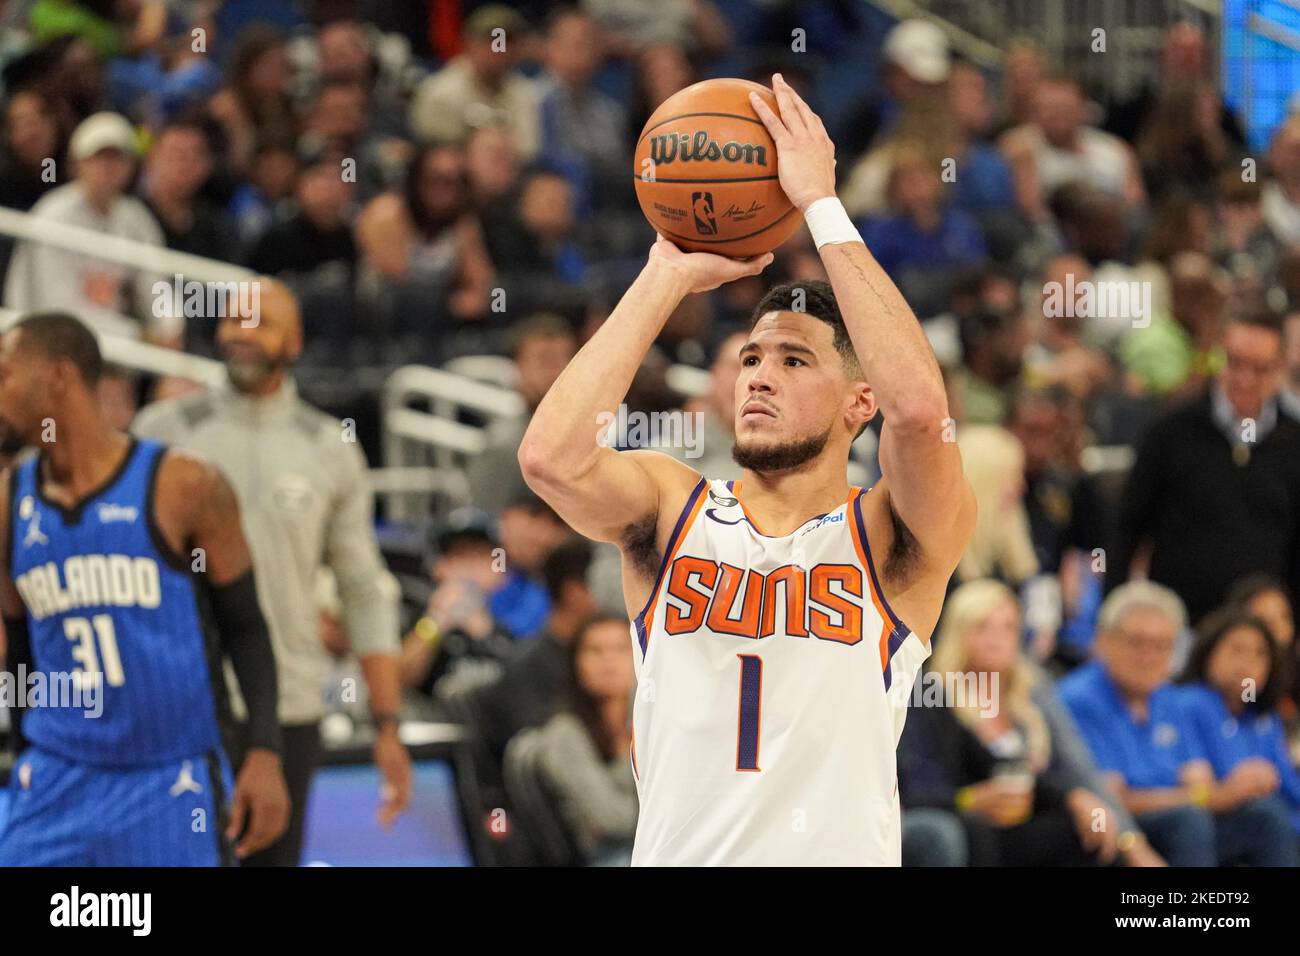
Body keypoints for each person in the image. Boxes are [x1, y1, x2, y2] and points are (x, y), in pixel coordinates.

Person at [518, 74, 976, 865]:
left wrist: (820, 206)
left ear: (856, 402)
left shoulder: (890, 535)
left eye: (795, 360)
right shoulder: (672, 504)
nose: (758, 376)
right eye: (752, 357)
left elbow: (919, 412)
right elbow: (550, 459)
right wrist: (664, 272)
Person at [131, 279, 411, 866]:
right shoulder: (163, 432)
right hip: (175, 705)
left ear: (296, 339)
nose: (240, 334)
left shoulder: (330, 446)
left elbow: (364, 589)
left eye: (260, 323)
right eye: (233, 320)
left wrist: (387, 725)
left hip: (287, 710)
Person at [0, 310, 289, 865]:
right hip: (59, 776)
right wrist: (24, 755)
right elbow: (18, 653)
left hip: (168, 780)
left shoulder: (184, 485)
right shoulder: (8, 503)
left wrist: (264, 752)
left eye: (5, 375)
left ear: (59, 376)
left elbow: (247, 629)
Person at [897, 580, 1159, 866]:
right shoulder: (930, 695)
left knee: (1090, 834)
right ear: (959, 633)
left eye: (1008, 627)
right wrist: (969, 800)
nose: (996, 638)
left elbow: (1072, 765)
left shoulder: (1031, 696)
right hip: (968, 825)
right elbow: (916, 788)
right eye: (983, 626)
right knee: (973, 831)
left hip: (1024, 822)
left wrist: (1075, 797)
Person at [1059, 582, 1293, 866]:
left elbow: (1201, 783)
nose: (1148, 657)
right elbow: (1110, 796)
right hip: (1113, 830)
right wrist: (1201, 796)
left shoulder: (1167, 697)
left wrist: (1205, 795)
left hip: (1183, 824)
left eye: (1161, 645)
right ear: (1104, 641)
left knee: (1265, 816)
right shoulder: (1079, 698)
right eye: (1136, 642)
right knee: (1189, 820)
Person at [1110, 308, 1300, 623]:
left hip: (1260, 635)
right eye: (1234, 362)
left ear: (1281, 368)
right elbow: (1128, 530)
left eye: (1260, 368)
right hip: (1176, 627)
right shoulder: (1170, 432)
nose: (1244, 379)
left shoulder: (1294, 444)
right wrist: (1113, 613)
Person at [3, 111, 173, 342]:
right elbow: (57, 307)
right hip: (46, 338)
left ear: (131, 166)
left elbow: (156, 287)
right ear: (77, 163)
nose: (108, 168)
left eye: (117, 158)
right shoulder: (53, 214)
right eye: (99, 158)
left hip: (117, 344)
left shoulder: (136, 218)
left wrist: (169, 330)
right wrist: (137, 335)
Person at [1177, 609, 1300, 850]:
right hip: (1210, 823)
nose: (1247, 663)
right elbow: (1211, 783)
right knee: (1269, 816)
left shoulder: (1263, 715)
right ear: (1209, 652)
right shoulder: (1191, 702)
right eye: (1236, 650)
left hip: (1269, 824)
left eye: (1259, 654)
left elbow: (1288, 785)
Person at [534, 612, 639, 866]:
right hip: (609, 856)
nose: (609, 661)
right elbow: (610, 819)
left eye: (620, 649)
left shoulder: (649, 720)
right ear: (575, 663)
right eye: (595, 651)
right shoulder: (564, 733)